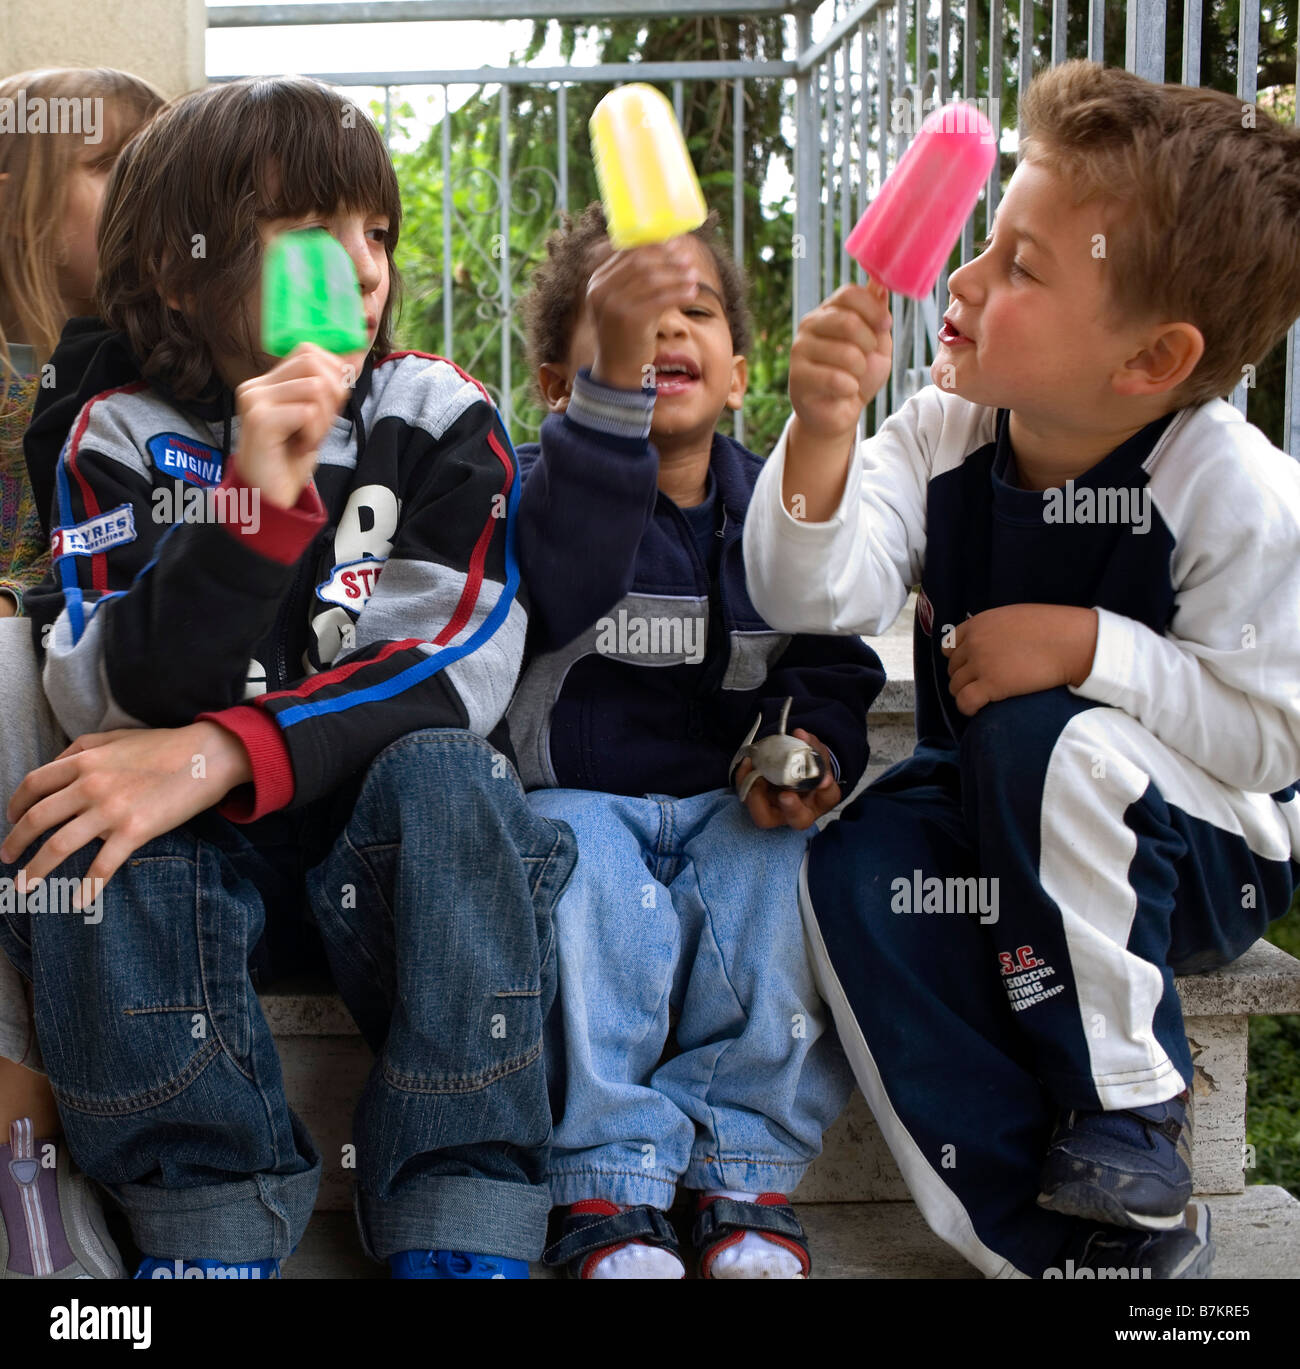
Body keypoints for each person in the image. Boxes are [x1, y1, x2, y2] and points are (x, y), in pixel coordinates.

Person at [0, 76, 575, 1280]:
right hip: (198, 879)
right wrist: (251, 511)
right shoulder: (116, 432)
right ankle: (207, 1220)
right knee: (100, 811)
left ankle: (460, 1213)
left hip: (383, 861)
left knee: (449, 776)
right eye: (316, 229)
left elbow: (453, 666)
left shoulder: (438, 414)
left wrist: (225, 749)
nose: (363, 266)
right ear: (177, 267)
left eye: (378, 233)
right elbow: (110, 691)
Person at [741, 60, 1300, 1280]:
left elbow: (1274, 734)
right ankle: (1057, 1247)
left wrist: (1092, 648)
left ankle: (1130, 1113)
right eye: (985, 240)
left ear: (1149, 361)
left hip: (1201, 858)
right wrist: (823, 437)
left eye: (1022, 268)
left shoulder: (1231, 489)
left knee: (1051, 736)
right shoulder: (942, 429)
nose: (964, 279)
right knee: (861, 862)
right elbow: (809, 591)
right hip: (1000, 834)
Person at [510, 204, 881, 1278]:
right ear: (557, 383)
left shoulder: (781, 509)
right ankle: (606, 1178)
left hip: (731, 803)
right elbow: (550, 579)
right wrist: (602, 435)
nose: (666, 332)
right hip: (575, 796)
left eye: (696, 312)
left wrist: (810, 751)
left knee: (783, 882)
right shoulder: (542, 494)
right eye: (623, 319)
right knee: (584, 894)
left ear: (737, 374)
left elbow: (832, 659)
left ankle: (742, 1170)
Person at [0, 65, 163, 1280]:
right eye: (116, 169)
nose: (156, 200)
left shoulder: (157, 389)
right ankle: (26, 1160)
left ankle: (33, 1152)